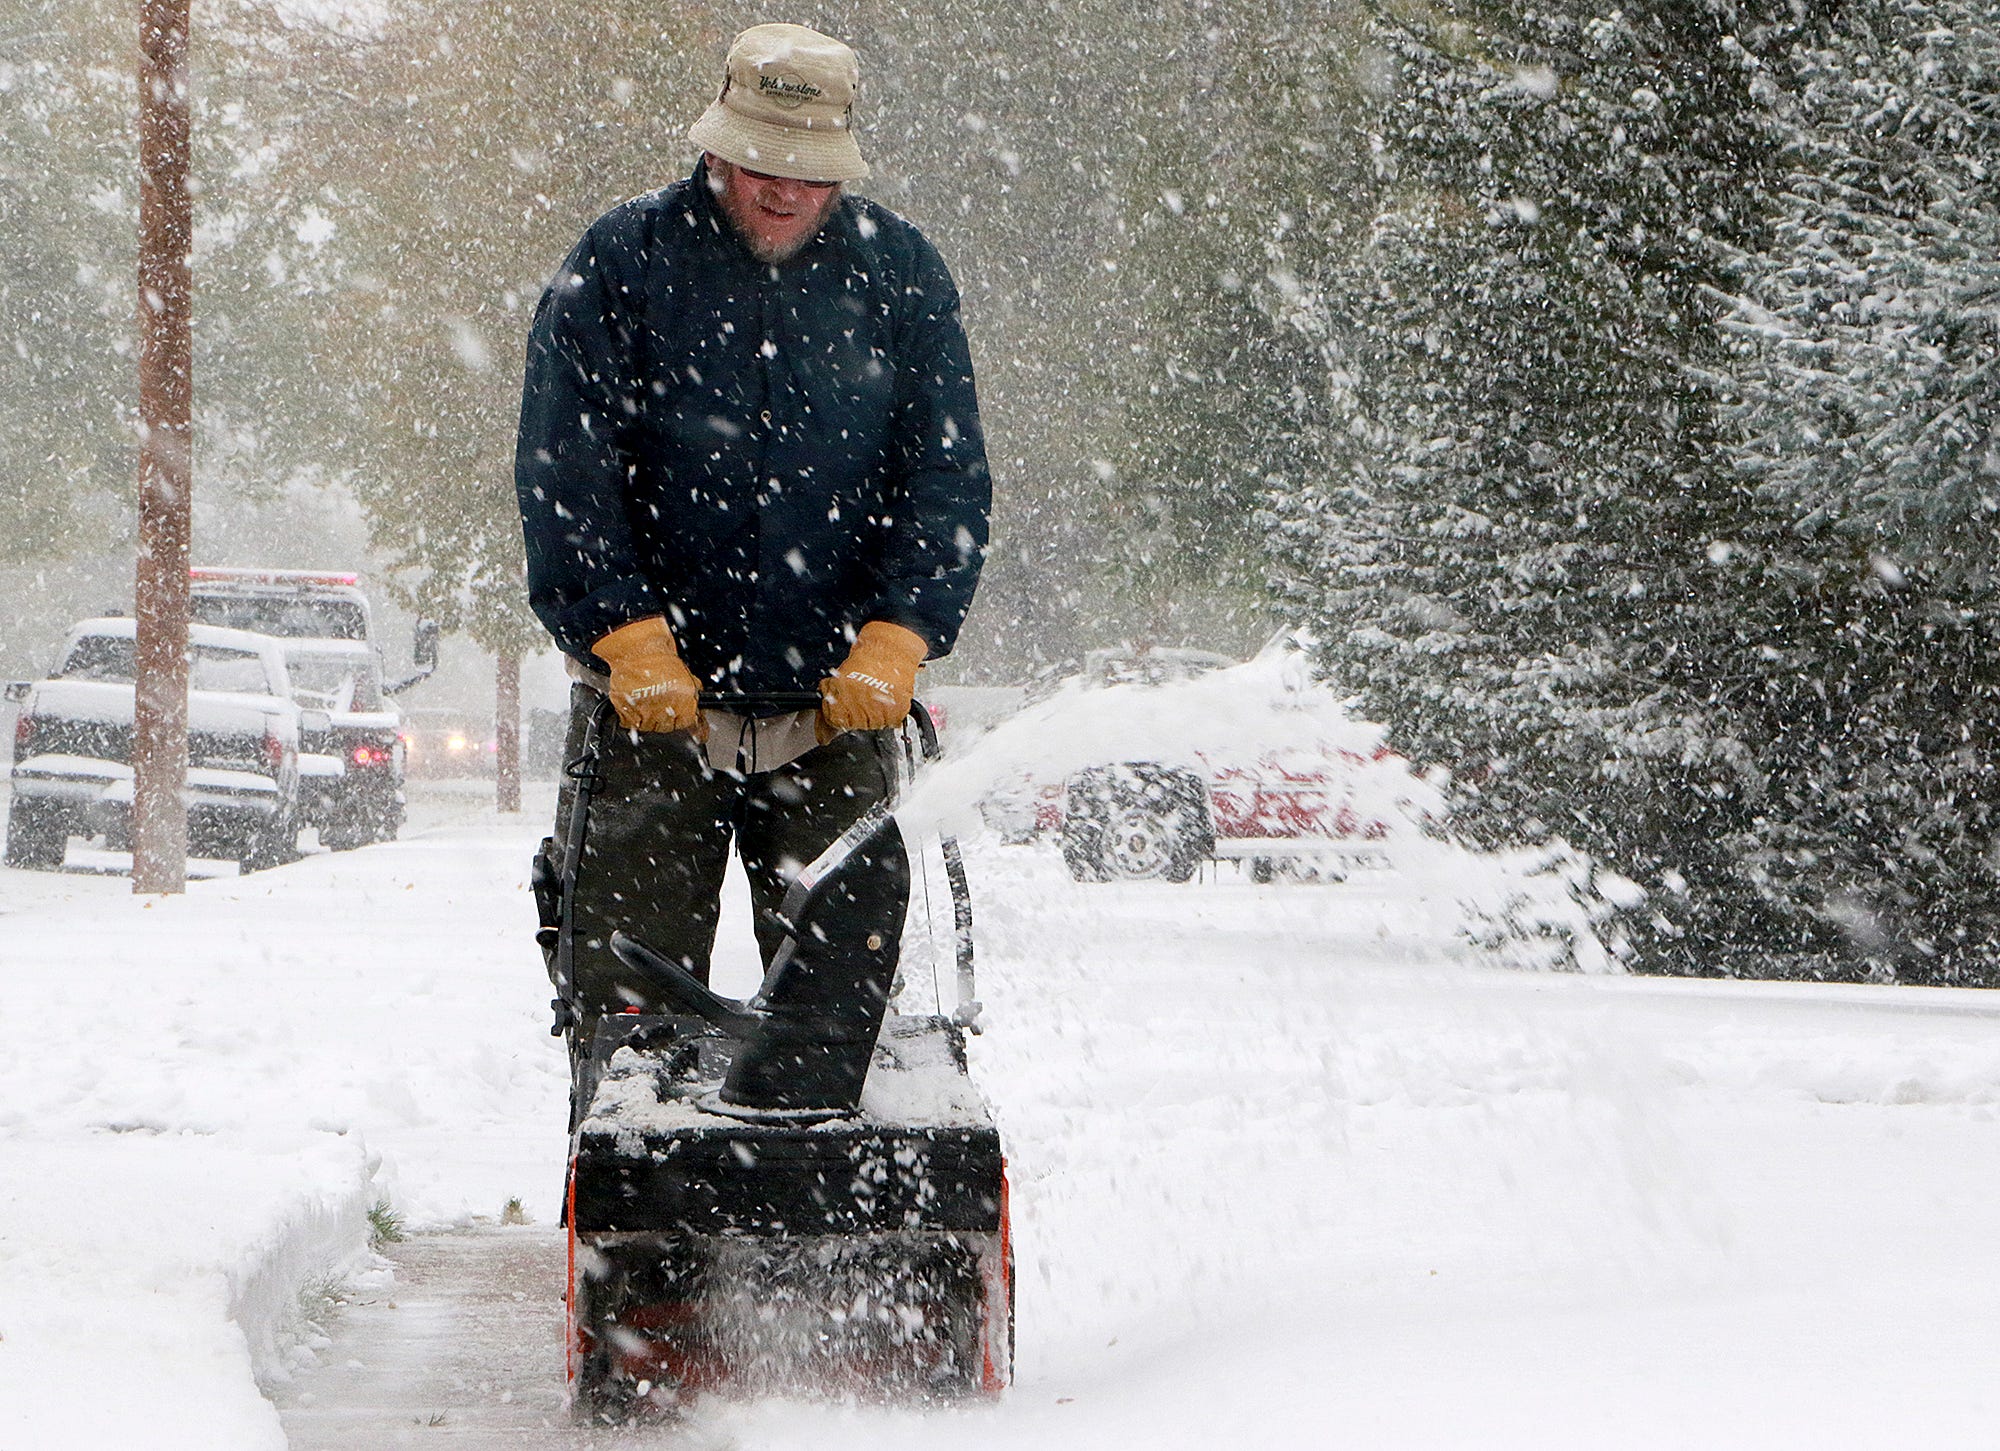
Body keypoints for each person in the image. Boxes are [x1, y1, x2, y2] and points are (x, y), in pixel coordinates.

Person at [515, 23, 989, 1122]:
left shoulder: (898, 274)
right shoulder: (621, 265)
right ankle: (638, 1256)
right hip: (650, 720)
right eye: (764, 162)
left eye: (810, 170)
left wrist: (901, 632)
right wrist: (624, 632)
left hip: (835, 716)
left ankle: (830, 1241)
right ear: (718, 149)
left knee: (837, 1027)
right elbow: (563, 472)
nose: (784, 191)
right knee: (632, 1026)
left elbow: (947, 477)